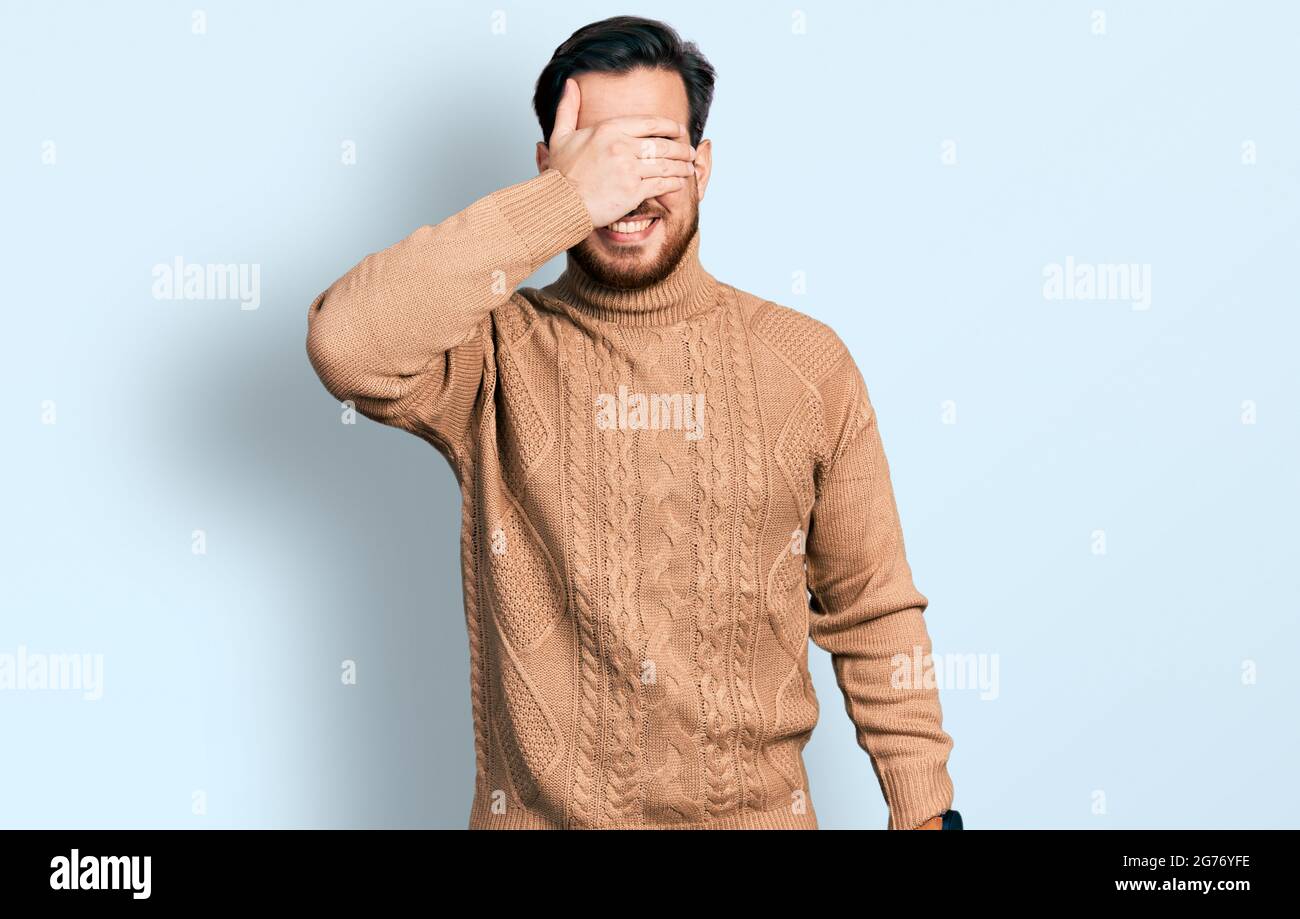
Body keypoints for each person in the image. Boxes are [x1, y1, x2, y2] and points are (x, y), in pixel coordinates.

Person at [306, 14, 956, 830]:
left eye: (655, 151)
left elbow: (873, 606)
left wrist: (928, 811)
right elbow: (346, 343)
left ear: (703, 167)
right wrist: (561, 203)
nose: (631, 187)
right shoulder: (491, 355)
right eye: (602, 156)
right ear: (549, 167)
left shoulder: (808, 362)